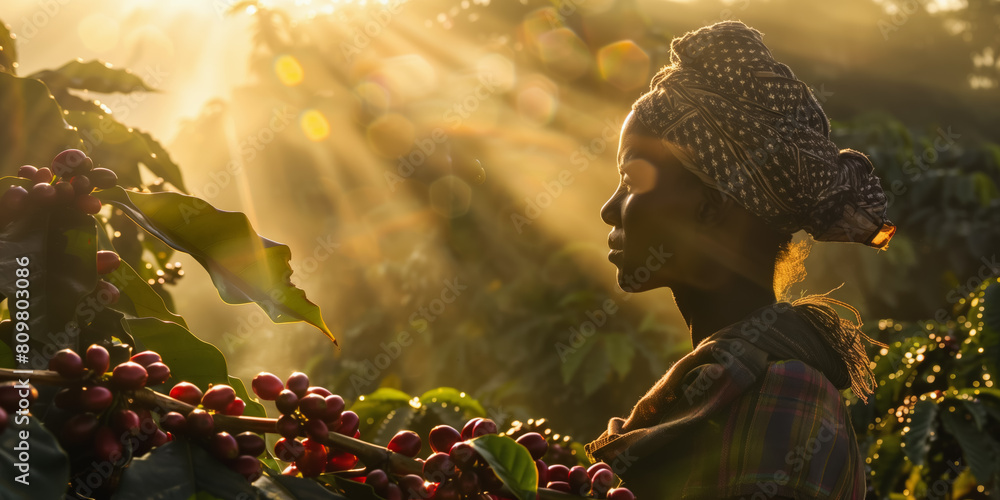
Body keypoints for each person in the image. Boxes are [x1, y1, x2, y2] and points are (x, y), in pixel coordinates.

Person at [586, 21, 896, 499]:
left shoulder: (786, 392)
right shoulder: (724, 383)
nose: (609, 208)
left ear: (713, 205)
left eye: (632, 181)